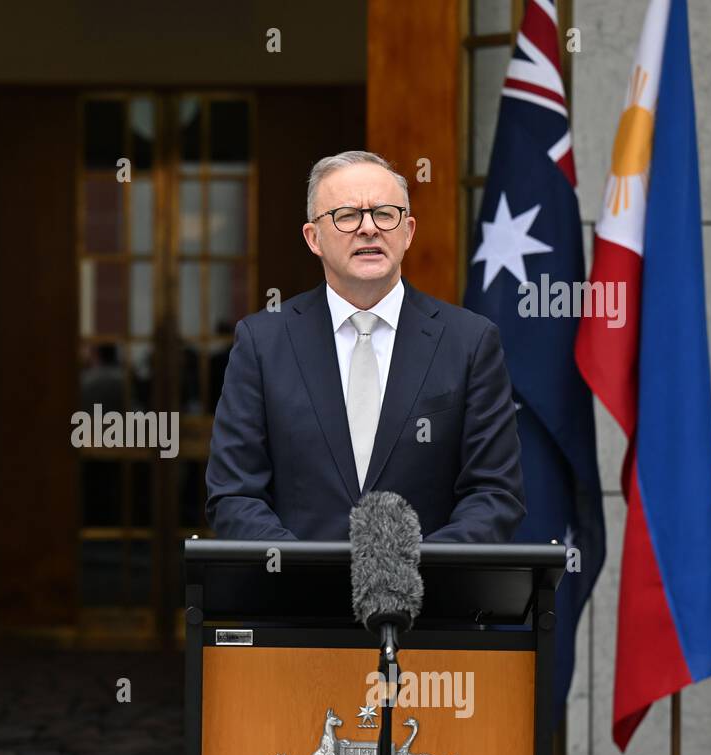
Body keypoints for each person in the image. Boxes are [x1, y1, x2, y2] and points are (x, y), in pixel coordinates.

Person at [206, 150, 524, 542]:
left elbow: (493, 493)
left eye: (384, 213)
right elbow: (234, 494)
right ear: (313, 237)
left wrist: (414, 571)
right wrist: (304, 573)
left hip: (430, 597)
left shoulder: (470, 342)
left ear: (407, 232)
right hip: (298, 597)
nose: (368, 228)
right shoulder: (262, 343)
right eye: (347, 215)